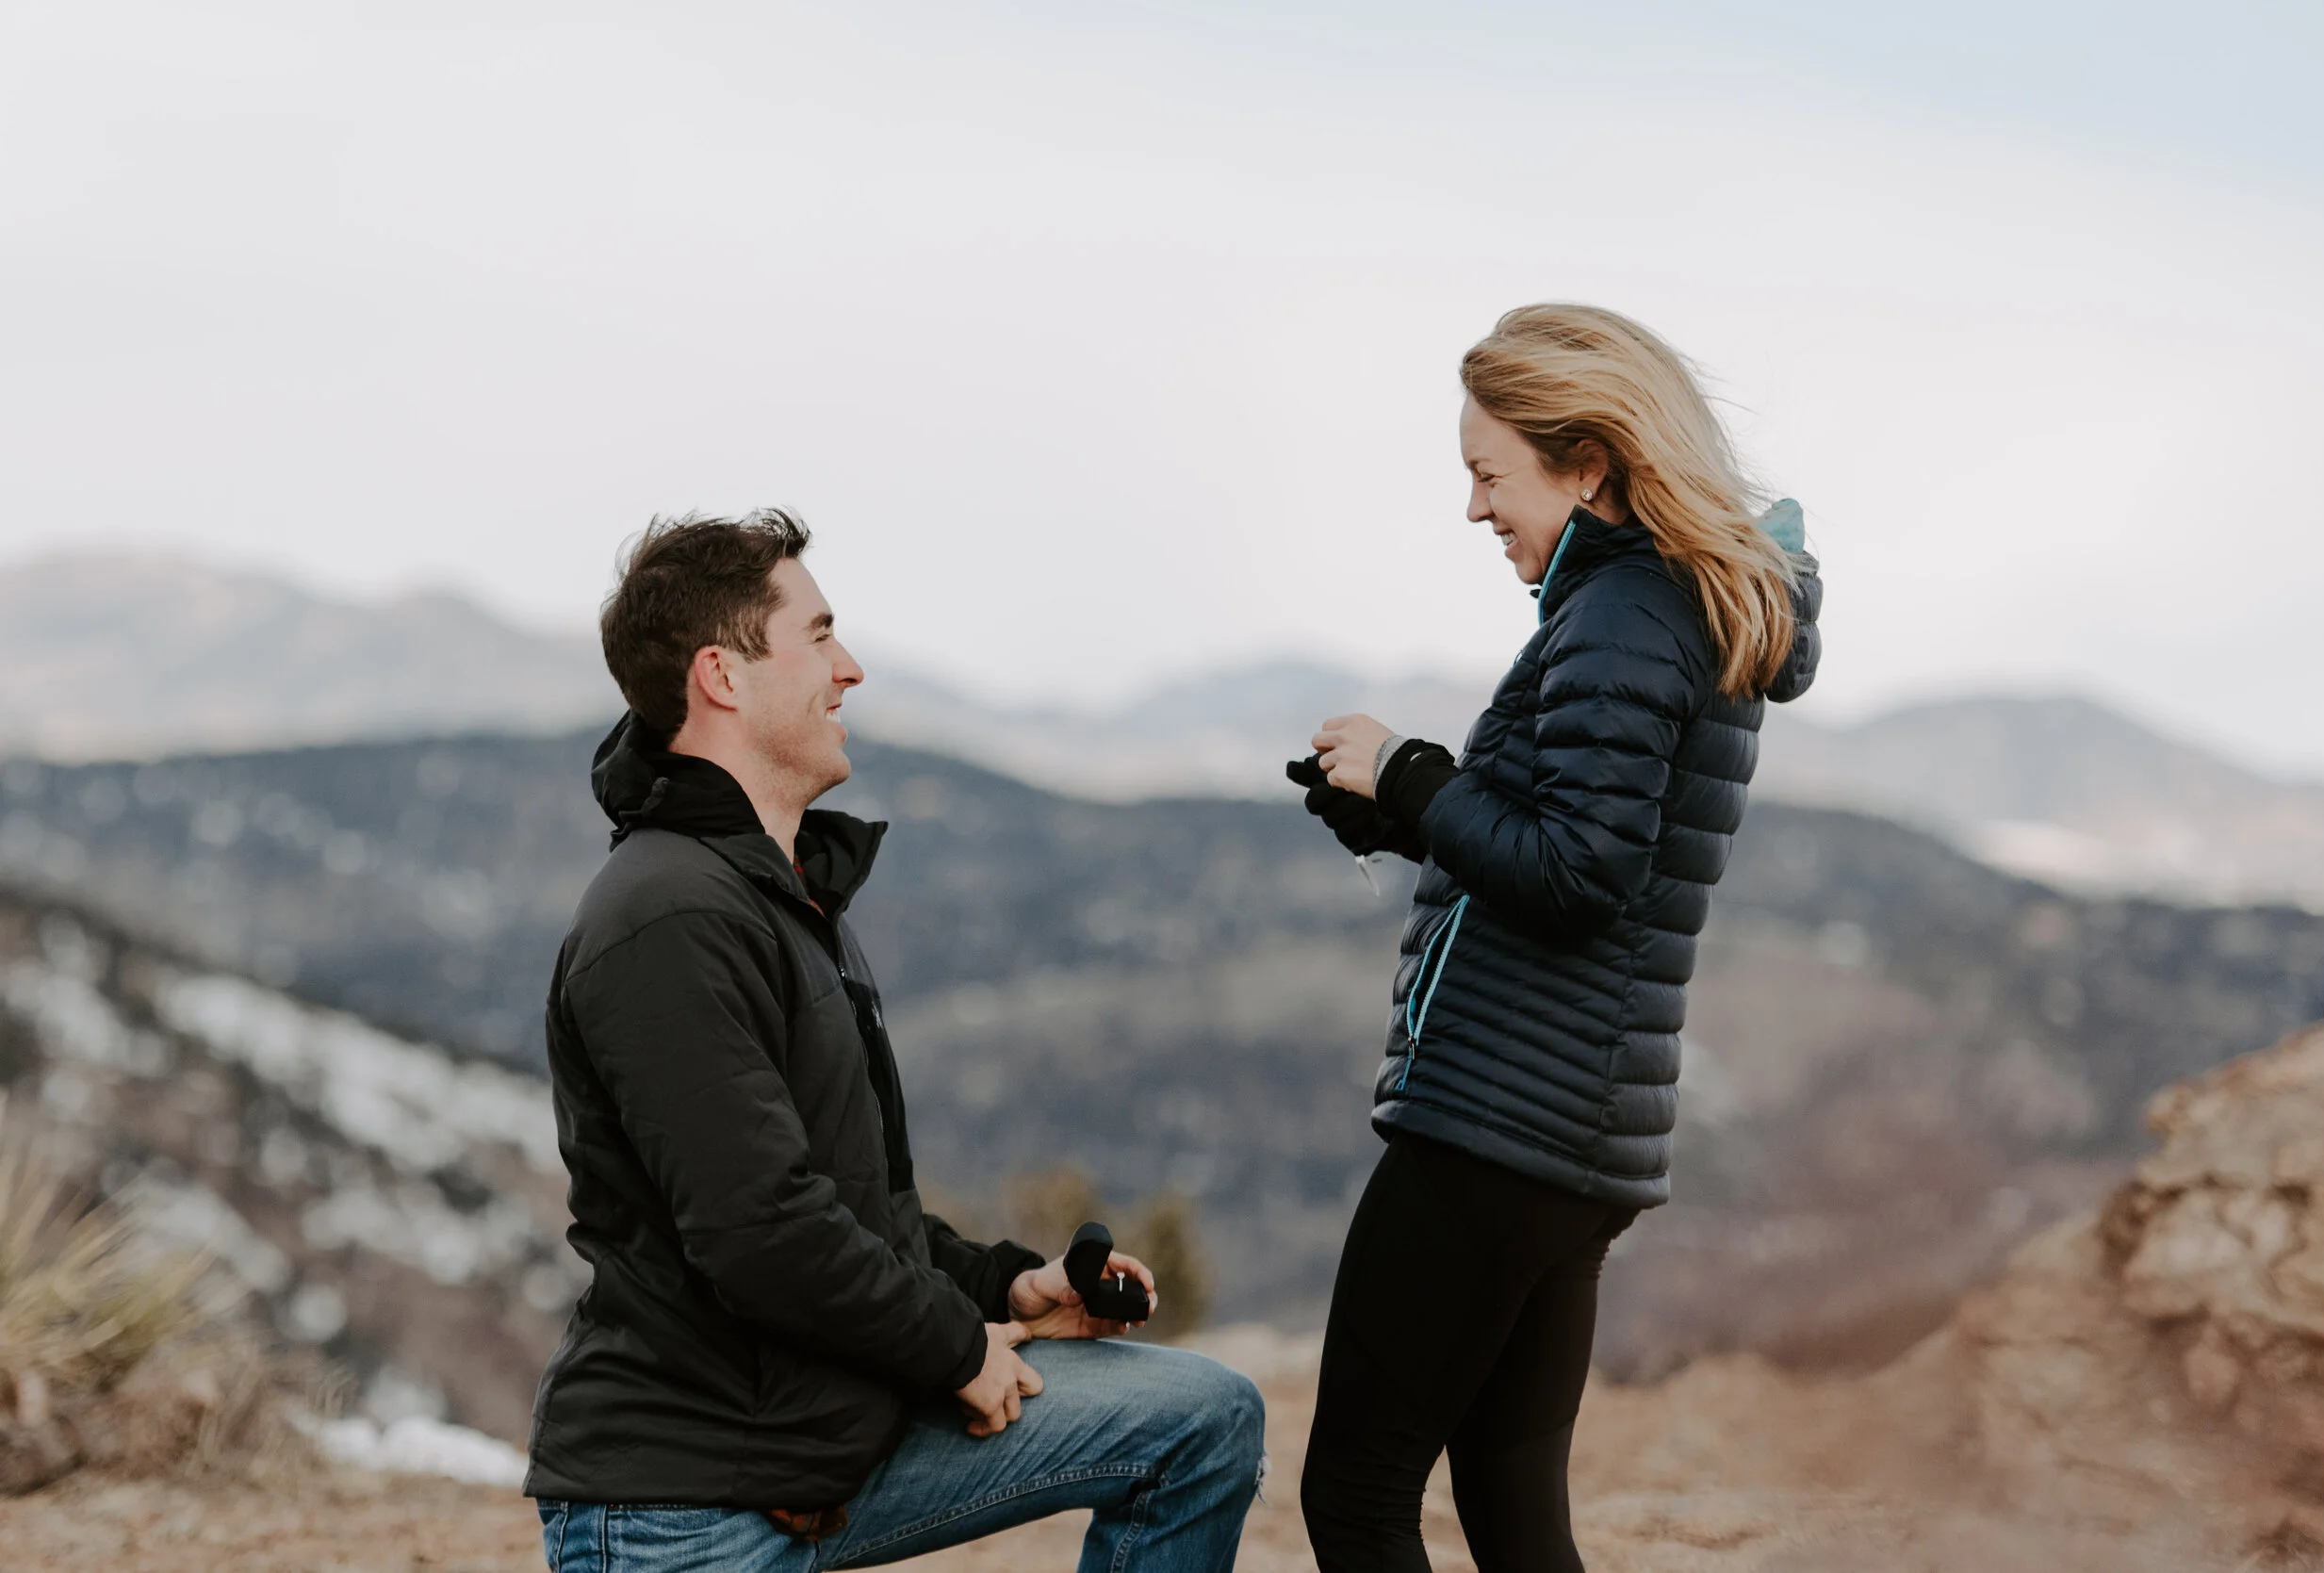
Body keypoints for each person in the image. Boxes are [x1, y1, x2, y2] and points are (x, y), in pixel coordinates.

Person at [525, 511, 1264, 1572]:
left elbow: (847, 1206)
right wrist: (952, 1346)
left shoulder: (777, 897)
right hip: (680, 1503)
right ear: (722, 677)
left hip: (818, 1454)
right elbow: (759, 1230)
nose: (850, 668)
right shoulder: (668, 920)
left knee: (1202, 1418)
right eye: (819, 636)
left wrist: (1004, 1289)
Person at [1287, 304, 1824, 1572]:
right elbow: (1579, 848)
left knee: (1356, 1499)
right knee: (1513, 1498)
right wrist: (1400, 816)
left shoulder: (1628, 614)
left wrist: (1414, 773)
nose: (1477, 510)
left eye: (1490, 475)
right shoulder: (1666, 603)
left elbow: (1580, 876)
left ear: (1587, 464)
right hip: (1572, 1131)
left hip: (1498, 1121)